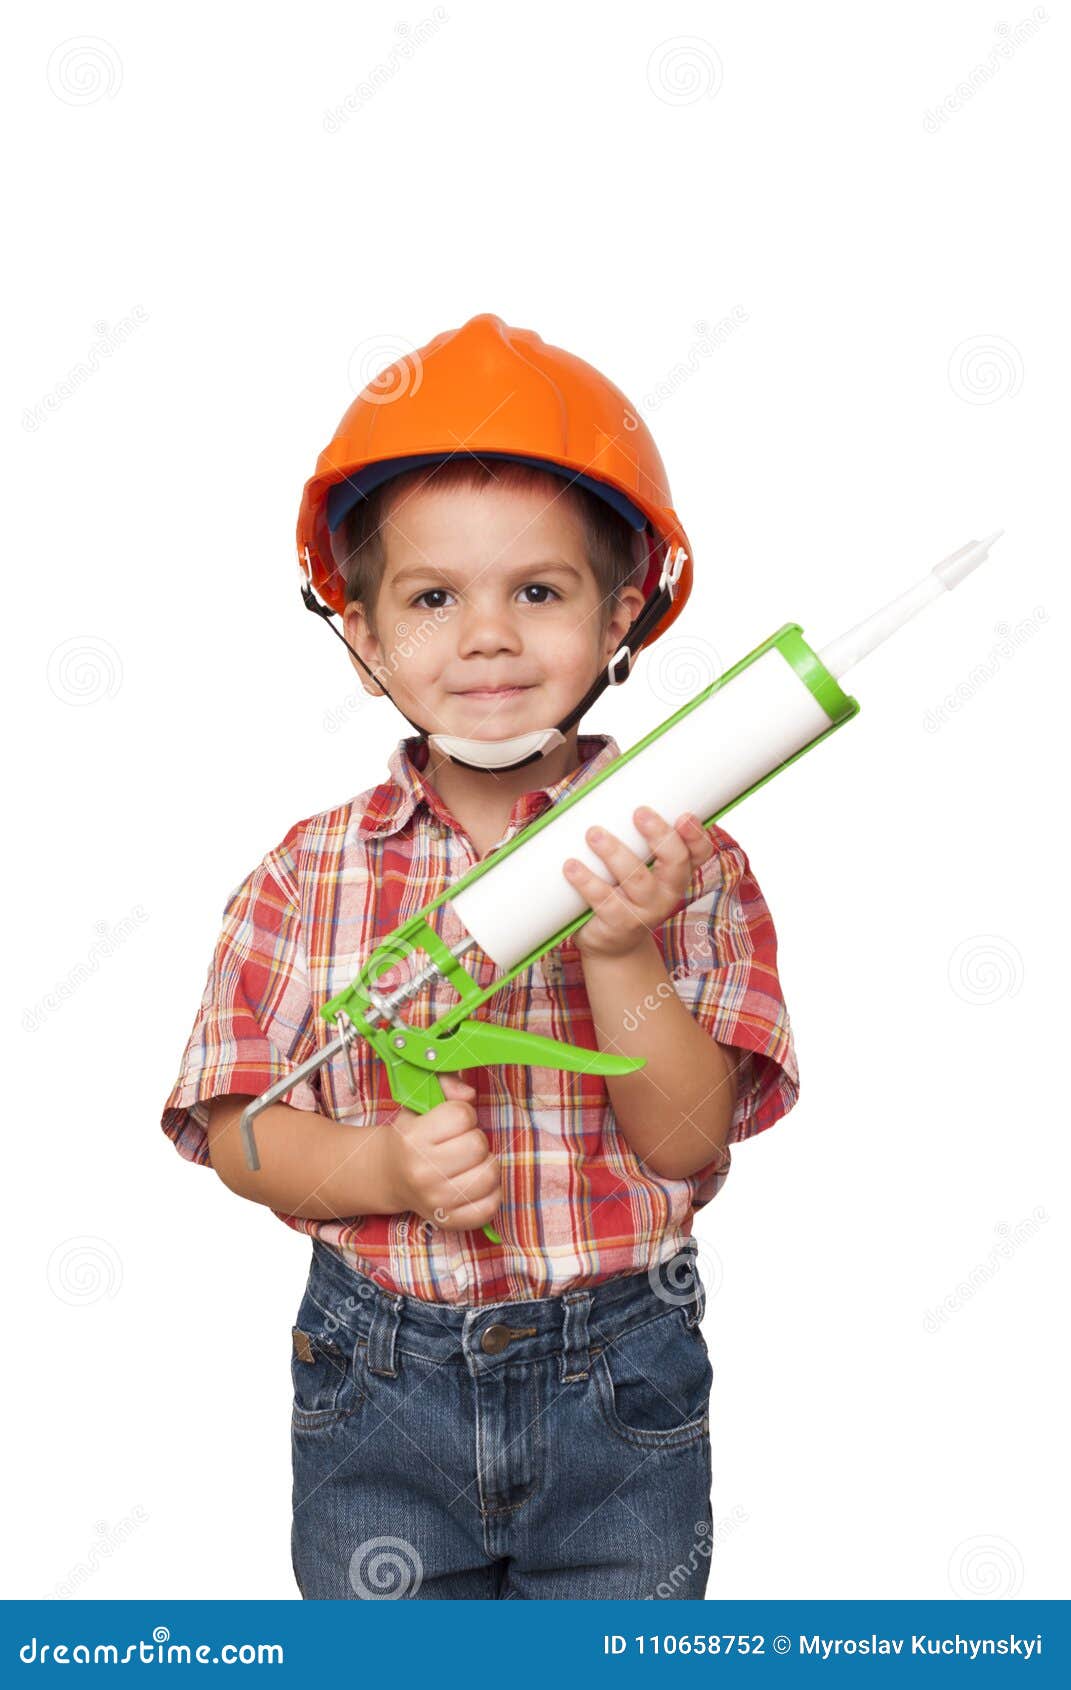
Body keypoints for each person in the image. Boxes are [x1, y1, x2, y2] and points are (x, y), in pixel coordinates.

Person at [160, 313, 800, 1600]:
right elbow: (236, 1132)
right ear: (364, 636)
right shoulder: (308, 873)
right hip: (378, 1386)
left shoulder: (690, 861)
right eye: (434, 598)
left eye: (539, 592)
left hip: (620, 1385)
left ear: (622, 614)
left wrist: (622, 949)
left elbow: (686, 1144)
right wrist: (377, 1166)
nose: (488, 635)